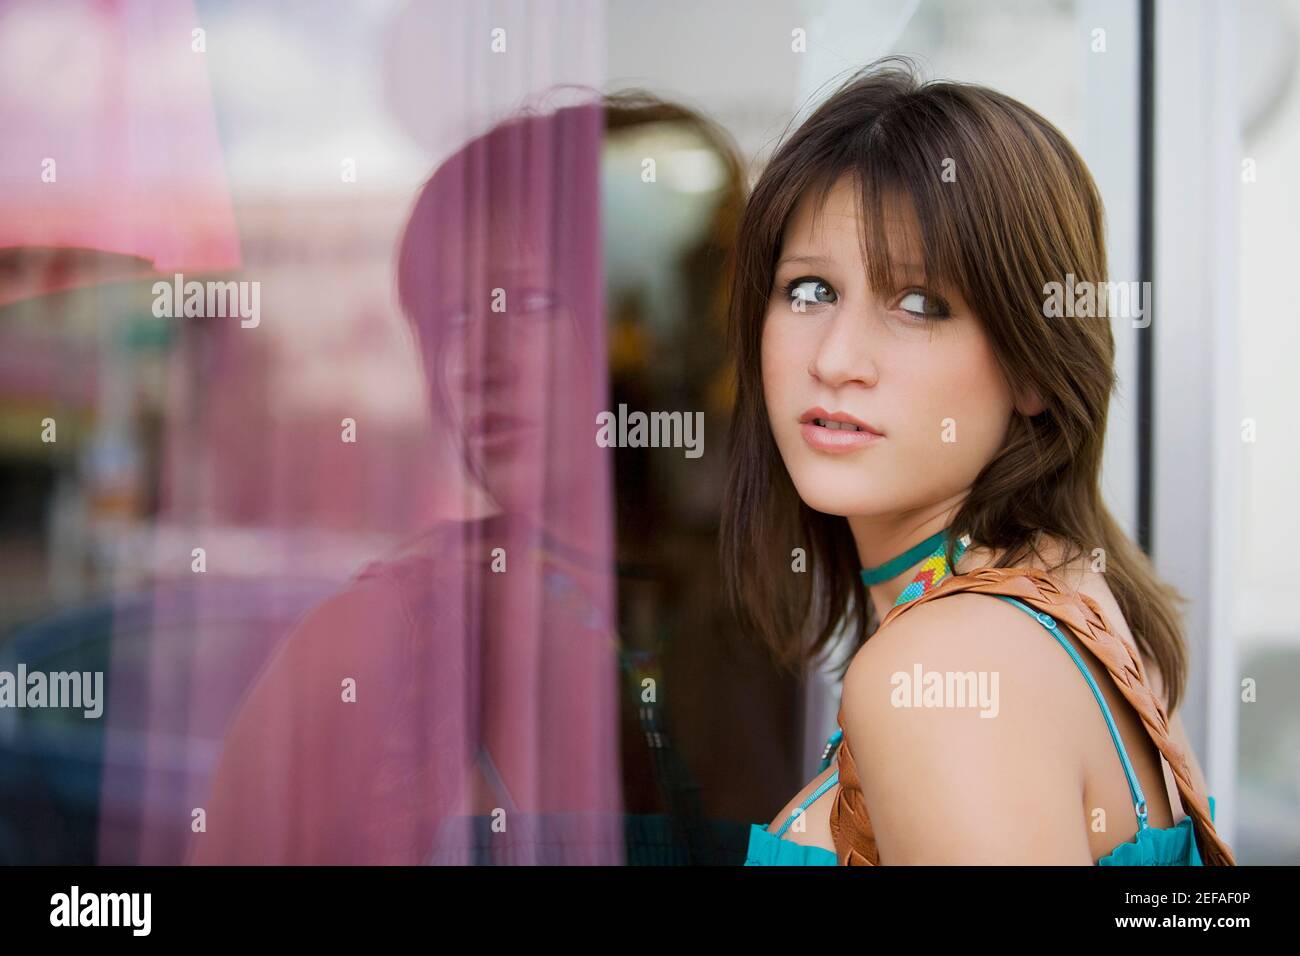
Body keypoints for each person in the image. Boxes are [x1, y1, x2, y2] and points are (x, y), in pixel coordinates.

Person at [725, 58, 1235, 866]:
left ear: (1034, 367)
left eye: (920, 304)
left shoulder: (947, 671)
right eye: (810, 290)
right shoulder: (1070, 587)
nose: (837, 357)